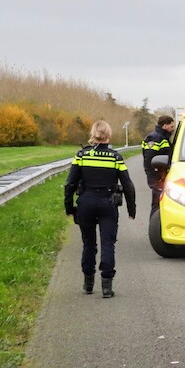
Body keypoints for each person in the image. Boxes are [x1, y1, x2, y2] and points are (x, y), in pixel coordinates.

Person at [65, 121, 137, 298]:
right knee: (108, 244)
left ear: (93, 134)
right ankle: (106, 286)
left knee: (88, 244)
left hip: (86, 203)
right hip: (108, 204)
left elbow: (70, 183)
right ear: (108, 136)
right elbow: (127, 185)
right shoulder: (115, 157)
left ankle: (88, 283)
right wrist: (131, 208)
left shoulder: (81, 155)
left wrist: (69, 207)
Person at [141, 115, 175, 212]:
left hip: (164, 177)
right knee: (157, 206)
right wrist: (155, 180)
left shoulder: (164, 138)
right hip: (158, 179)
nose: (173, 129)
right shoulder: (154, 138)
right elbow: (149, 161)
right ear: (165, 126)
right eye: (171, 126)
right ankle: (155, 226)